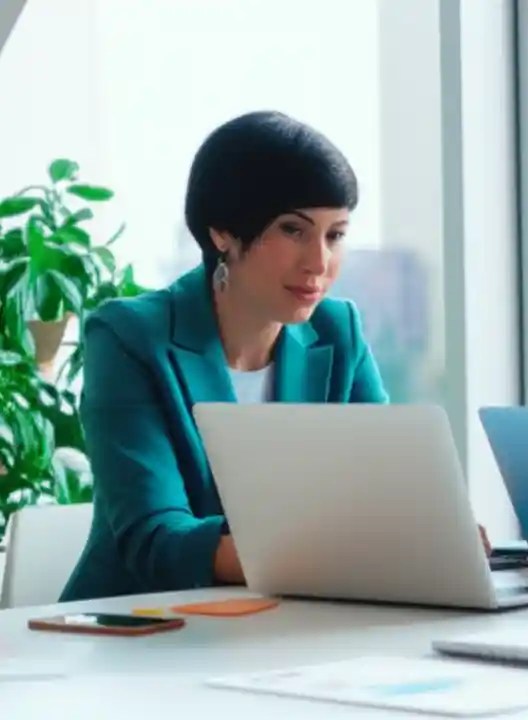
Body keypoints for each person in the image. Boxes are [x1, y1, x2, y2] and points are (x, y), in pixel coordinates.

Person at [61, 111, 487, 602]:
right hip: (137, 631)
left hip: (287, 619)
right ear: (222, 231)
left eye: (335, 235)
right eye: (293, 230)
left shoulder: (338, 331)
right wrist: (344, 553)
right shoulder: (129, 336)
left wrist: (434, 531)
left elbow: (385, 494)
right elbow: (155, 539)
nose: (319, 263)